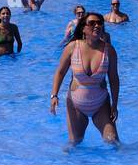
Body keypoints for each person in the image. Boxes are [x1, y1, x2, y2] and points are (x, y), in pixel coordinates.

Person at [48, 12, 119, 147]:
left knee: (113, 141)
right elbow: (60, 72)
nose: (97, 25)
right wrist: (54, 95)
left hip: (101, 104)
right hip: (76, 105)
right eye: (92, 23)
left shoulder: (109, 51)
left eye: (99, 23)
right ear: (83, 28)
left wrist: (114, 105)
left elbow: (114, 79)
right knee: (74, 143)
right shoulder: (72, 47)